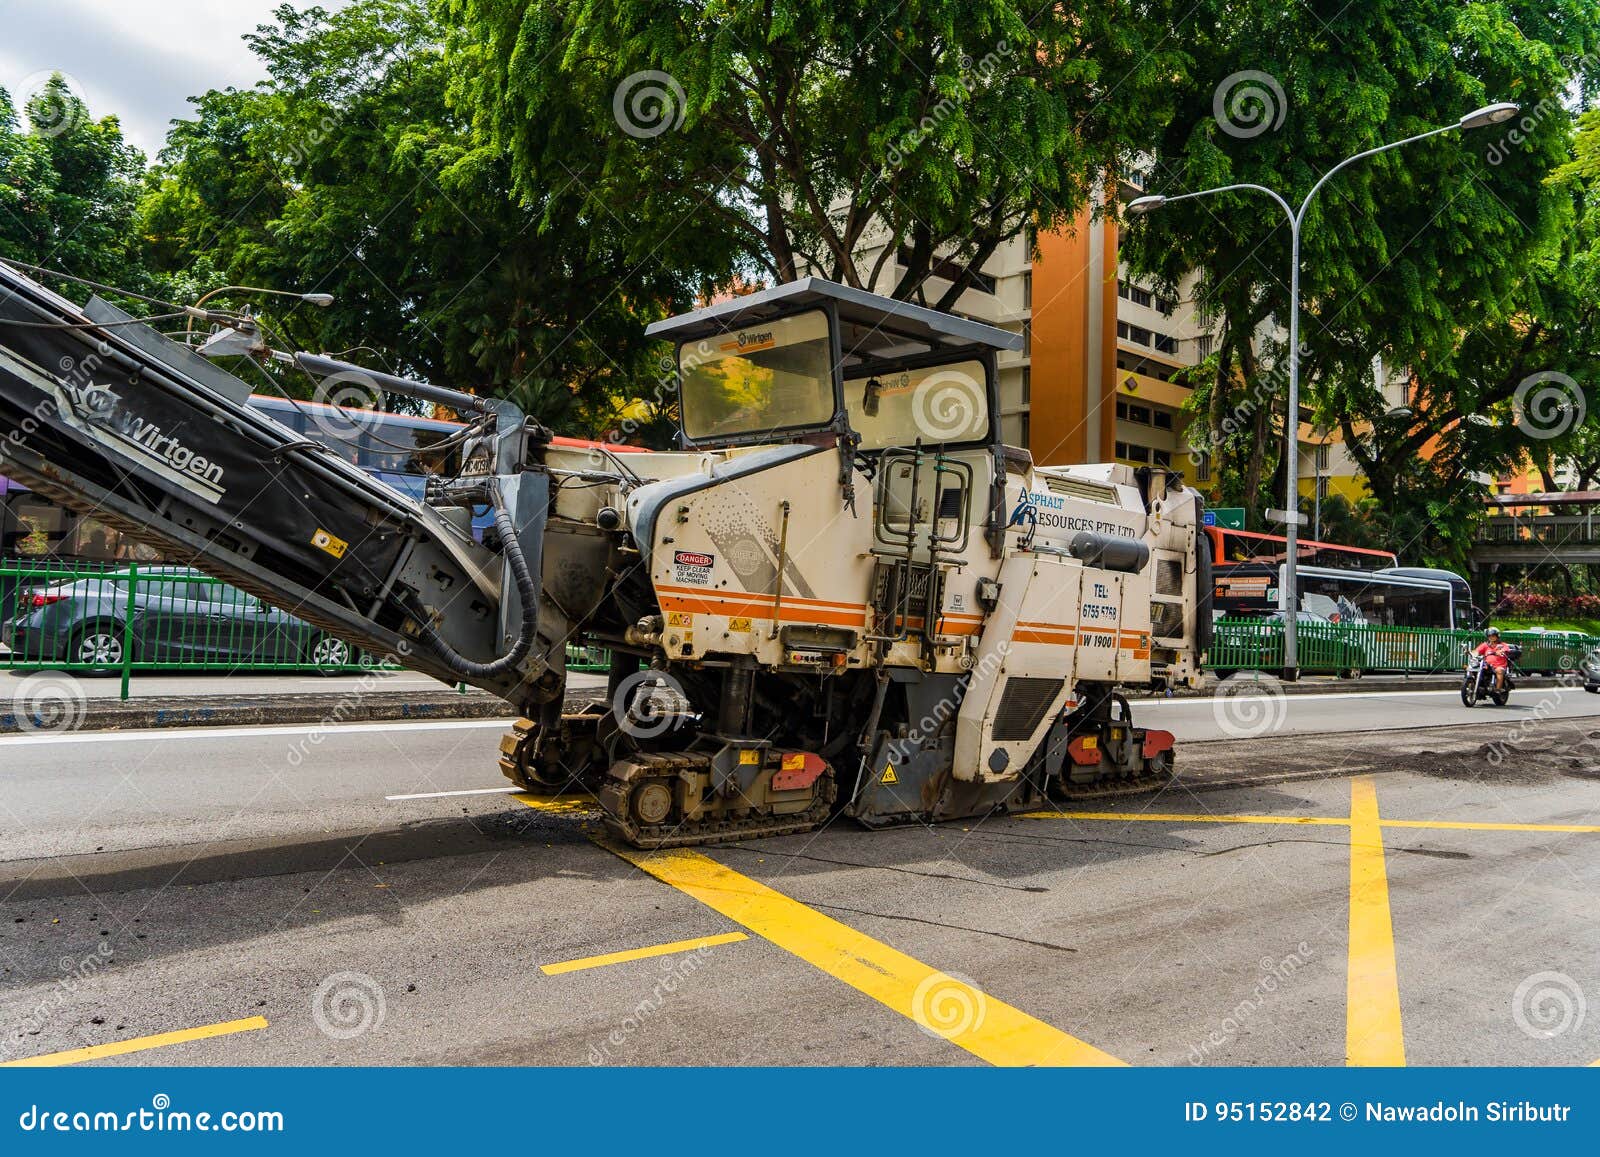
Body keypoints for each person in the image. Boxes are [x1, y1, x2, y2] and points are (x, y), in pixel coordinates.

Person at [1474, 626, 1512, 691]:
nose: (1491, 637)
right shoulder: (1485, 645)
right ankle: (1475, 685)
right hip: (1487, 665)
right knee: (1474, 669)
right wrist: (1471, 653)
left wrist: (1500, 651)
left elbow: (1506, 649)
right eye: (1489, 636)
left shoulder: (1502, 644)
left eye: (1493, 636)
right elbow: (1477, 651)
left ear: (1497, 636)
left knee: (1499, 671)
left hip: (1499, 666)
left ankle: (1498, 689)